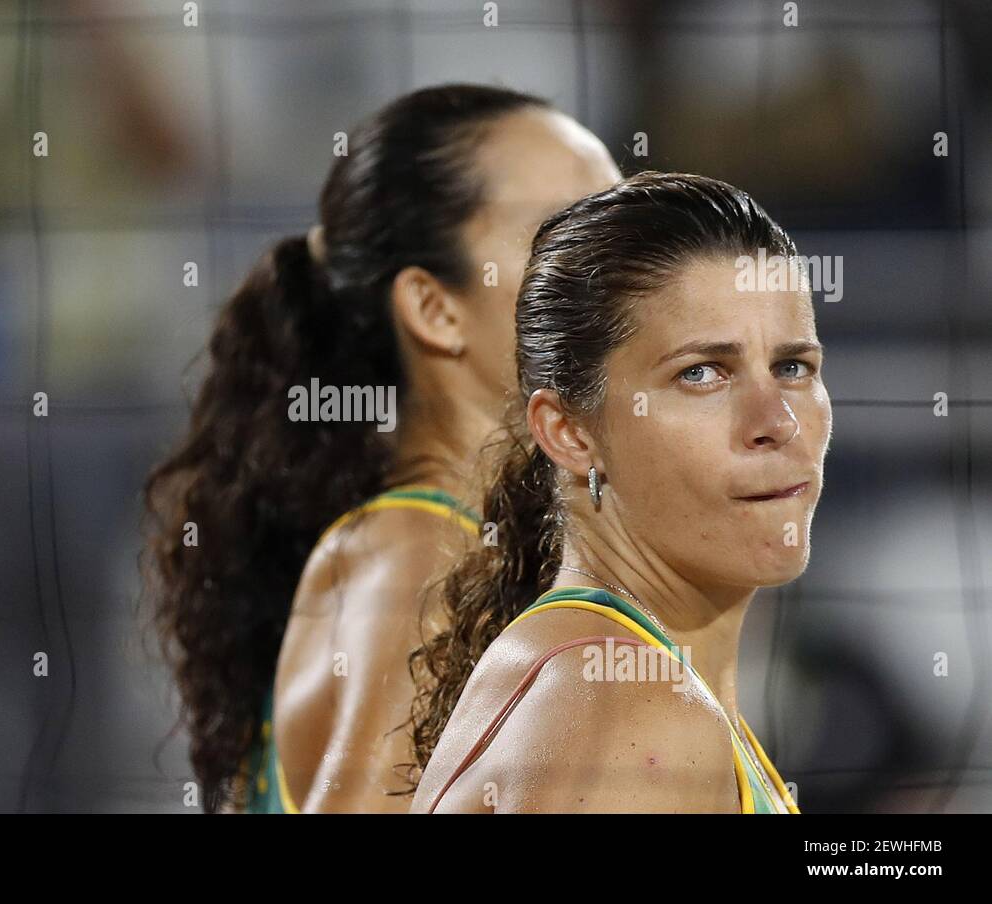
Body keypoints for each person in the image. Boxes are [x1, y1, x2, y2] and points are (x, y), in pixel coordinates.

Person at [142, 84, 619, 812]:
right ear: (433, 308)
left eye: (629, 234)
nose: (634, 276)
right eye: (564, 238)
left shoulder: (477, 552)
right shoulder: (420, 557)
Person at [410, 171, 830, 814]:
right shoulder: (635, 718)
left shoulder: (607, 682)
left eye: (792, 367)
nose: (778, 423)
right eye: (702, 374)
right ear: (570, 432)